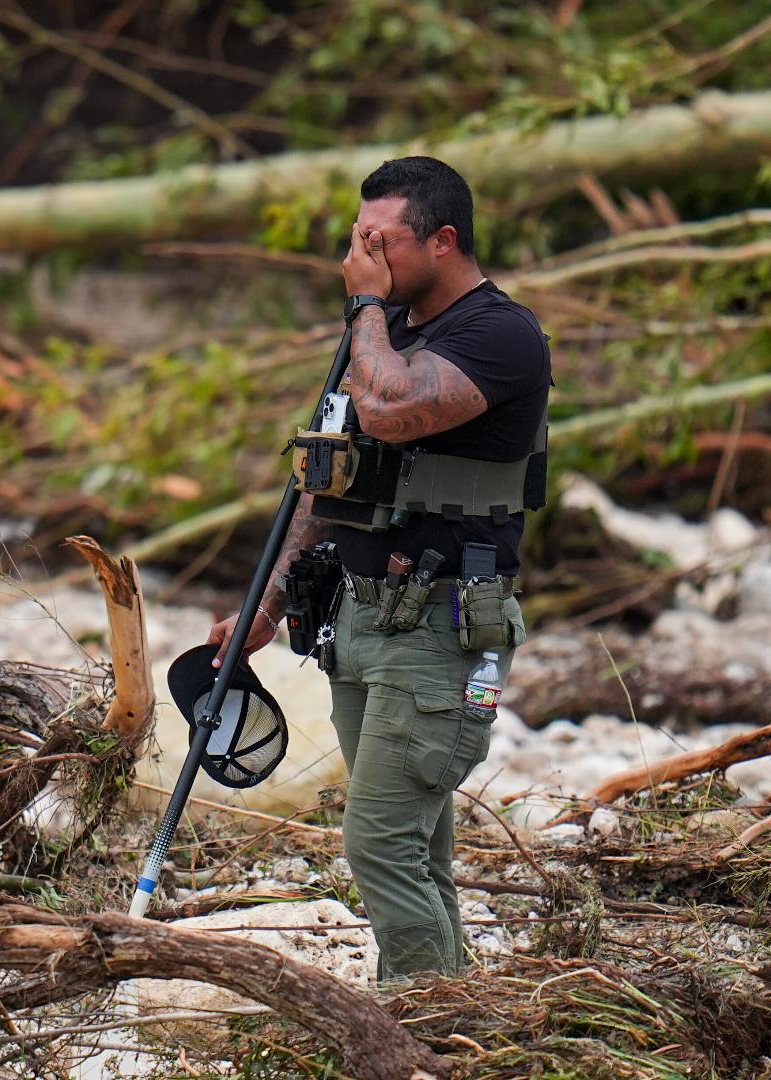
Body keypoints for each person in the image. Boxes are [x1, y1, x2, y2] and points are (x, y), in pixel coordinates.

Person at [207, 156, 551, 980]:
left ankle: (418, 1027)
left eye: (379, 242)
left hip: (443, 628)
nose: (360, 259)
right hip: (363, 621)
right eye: (356, 240)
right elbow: (323, 481)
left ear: (441, 240)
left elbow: (394, 412)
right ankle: (457, 1023)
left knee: (380, 841)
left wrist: (364, 306)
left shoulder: (499, 334)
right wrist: (271, 599)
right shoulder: (384, 336)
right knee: (416, 846)